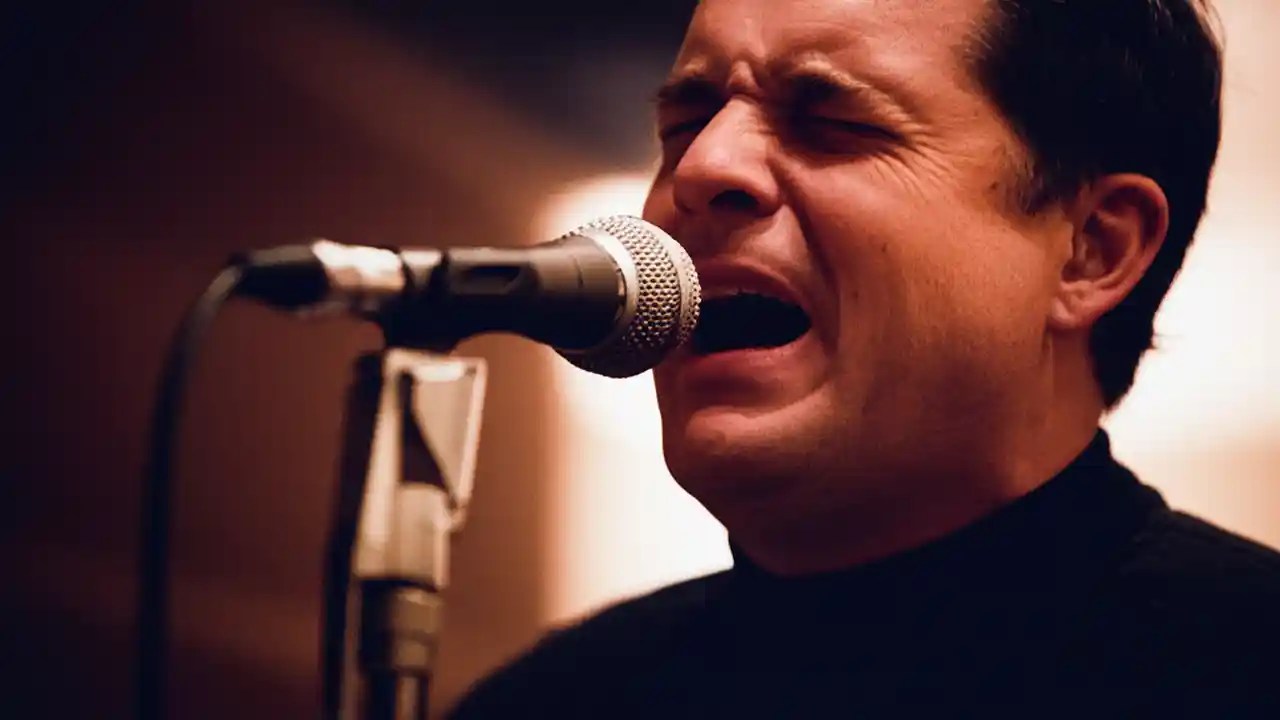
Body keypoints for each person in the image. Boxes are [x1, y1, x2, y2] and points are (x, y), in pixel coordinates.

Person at [448, 0, 1280, 717]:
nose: (701, 169)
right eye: (684, 124)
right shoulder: (550, 703)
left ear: (1091, 251)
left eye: (832, 122)